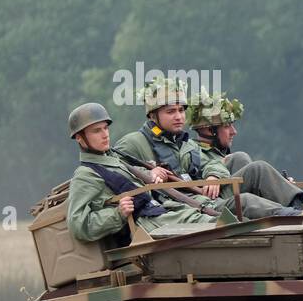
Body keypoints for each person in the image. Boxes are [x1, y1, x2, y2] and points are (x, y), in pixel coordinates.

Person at [65, 102, 215, 244]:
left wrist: (152, 172)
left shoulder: (114, 159)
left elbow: (133, 175)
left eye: (105, 128)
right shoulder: (85, 175)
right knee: (215, 225)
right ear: (80, 138)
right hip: (148, 225)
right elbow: (78, 225)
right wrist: (117, 213)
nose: (105, 134)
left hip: (163, 211)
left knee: (217, 219)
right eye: (97, 131)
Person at [187, 92, 303, 217]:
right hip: (211, 203)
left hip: (233, 200)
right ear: (210, 131)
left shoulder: (221, 155)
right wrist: (213, 176)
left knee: (242, 160)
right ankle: (294, 214)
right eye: (227, 126)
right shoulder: (192, 152)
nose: (234, 132)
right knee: (249, 166)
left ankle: (297, 208)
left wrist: (278, 185)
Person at [113, 77, 204, 184]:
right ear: (153, 116)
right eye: (171, 112)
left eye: (181, 110)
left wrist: (214, 175)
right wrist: (148, 173)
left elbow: (211, 163)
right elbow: (113, 170)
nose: (179, 116)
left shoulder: (188, 144)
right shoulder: (132, 143)